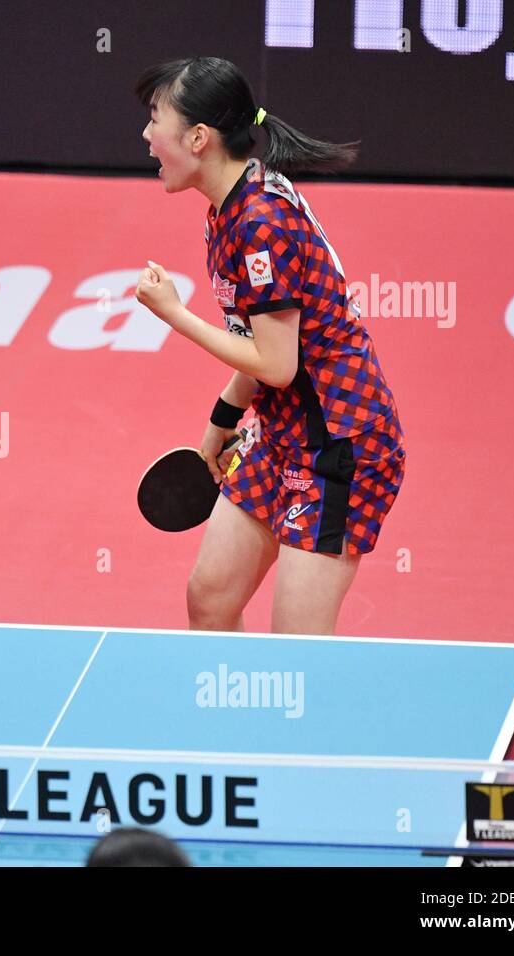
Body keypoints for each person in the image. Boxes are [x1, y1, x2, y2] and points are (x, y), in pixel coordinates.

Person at [133, 56, 405, 636]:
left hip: (339, 447)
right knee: (209, 598)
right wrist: (219, 424)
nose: (148, 137)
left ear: (198, 137)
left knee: (296, 653)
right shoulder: (228, 208)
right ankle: (227, 727)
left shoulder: (261, 223)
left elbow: (277, 366)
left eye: (156, 120)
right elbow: (255, 344)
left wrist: (175, 316)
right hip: (280, 433)